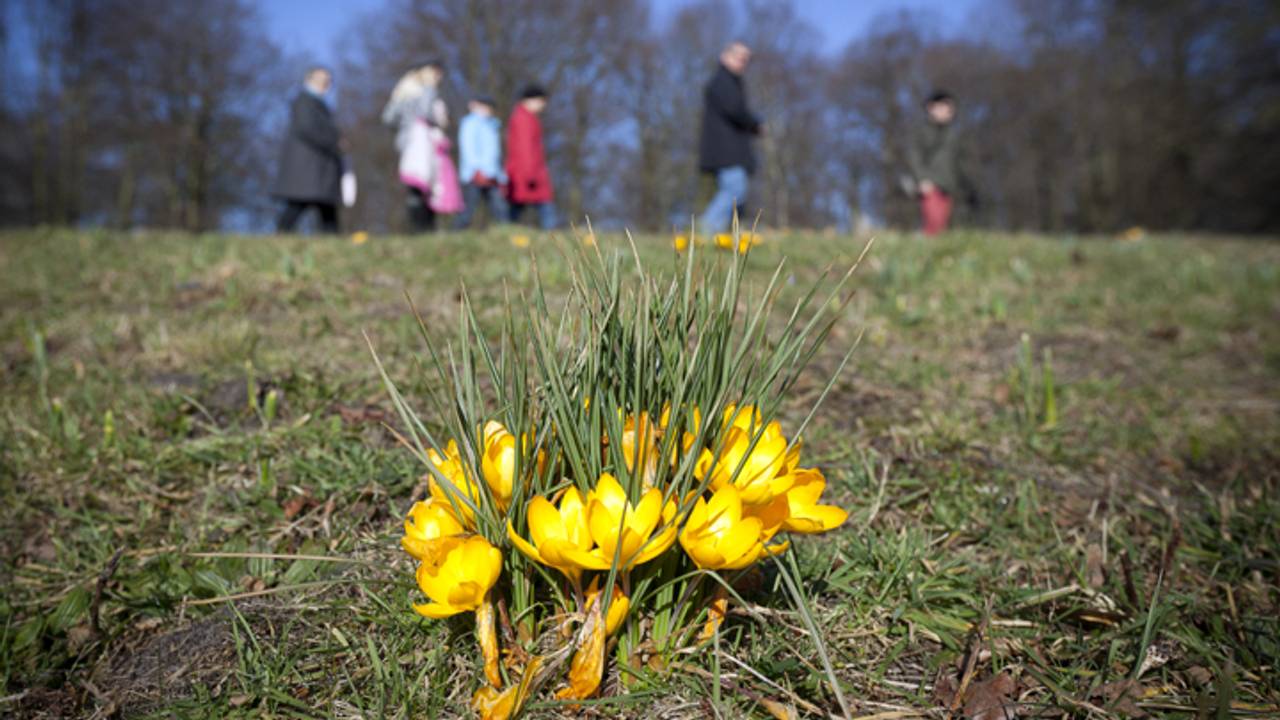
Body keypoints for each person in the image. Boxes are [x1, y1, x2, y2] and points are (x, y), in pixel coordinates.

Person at [697, 42, 763, 234]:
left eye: (746, 60)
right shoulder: (722, 81)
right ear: (725, 56)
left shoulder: (731, 82)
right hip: (725, 151)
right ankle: (704, 232)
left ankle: (733, 236)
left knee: (737, 195)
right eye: (739, 57)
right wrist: (755, 124)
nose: (743, 63)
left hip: (729, 150)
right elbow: (735, 110)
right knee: (735, 191)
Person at [382, 60, 450, 231]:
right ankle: (418, 229)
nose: (437, 77)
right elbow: (390, 117)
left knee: (431, 188)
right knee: (416, 187)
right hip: (413, 146)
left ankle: (429, 228)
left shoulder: (433, 94)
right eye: (434, 72)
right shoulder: (413, 93)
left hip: (431, 147)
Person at [273, 67, 343, 233]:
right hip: (308, 166)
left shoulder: (318, 104)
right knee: (299, 203)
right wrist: (334, 143)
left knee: (326, 208)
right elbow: (307, 128)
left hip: (317, 166)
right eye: (321, 80)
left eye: (328, 81)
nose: (325, 84)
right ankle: (282, 233)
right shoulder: (304, 101)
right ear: (308, 80)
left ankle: (332, 239)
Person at [908, 90, 968, 236]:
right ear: (931, 108)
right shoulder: (922, 132)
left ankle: (935, 248)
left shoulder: (953, 135)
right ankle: (925, 247)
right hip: (930, 183)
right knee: (934, 221)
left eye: (950, 109)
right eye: (942, 107)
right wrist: (922, 179)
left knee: (943, 224)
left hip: (948, 185)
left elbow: (959, 163)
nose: (947, 112)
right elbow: (914, 156)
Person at [505, 85, 555, 230]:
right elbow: (524, 147)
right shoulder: (523, 119)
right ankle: (551, 234)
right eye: (541, 101)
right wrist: (530, 173)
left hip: (527, 170)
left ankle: (509, 231)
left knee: (518, 205)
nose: (543, 105)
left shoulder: (527, 118)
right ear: (529, 100)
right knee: (542, 205)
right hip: (527, 171)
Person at [455, 96, 508, 229]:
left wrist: (500, 174)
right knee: (468, 207)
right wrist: (476, 168)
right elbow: (468, 148)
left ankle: (507, 232)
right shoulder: (469, 123)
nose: (487, 110)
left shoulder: (492, 126)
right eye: (484, 106)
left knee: (499, 207)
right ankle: (456, 233)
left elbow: (495, 153)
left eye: (489, 108)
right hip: (475, 173)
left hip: (492, 173)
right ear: (473, 106)